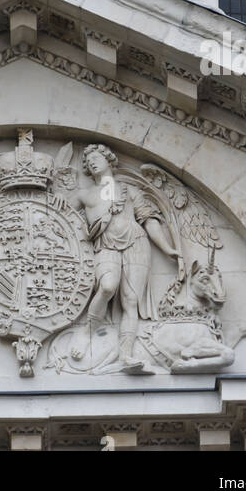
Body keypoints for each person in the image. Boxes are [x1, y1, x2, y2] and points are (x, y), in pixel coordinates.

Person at [76, 144, 183, 373]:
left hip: (136, 243)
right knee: (107, 286)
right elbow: (66, 219)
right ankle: (87, 332)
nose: (93, 162)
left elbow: (148, 219)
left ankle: (126, 354)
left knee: (130, 301)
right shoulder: (84, 195)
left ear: (109, 161)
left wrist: (167, 248)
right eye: (89, 160)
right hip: (104, 244)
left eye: (98, 157)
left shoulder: (128, 190)